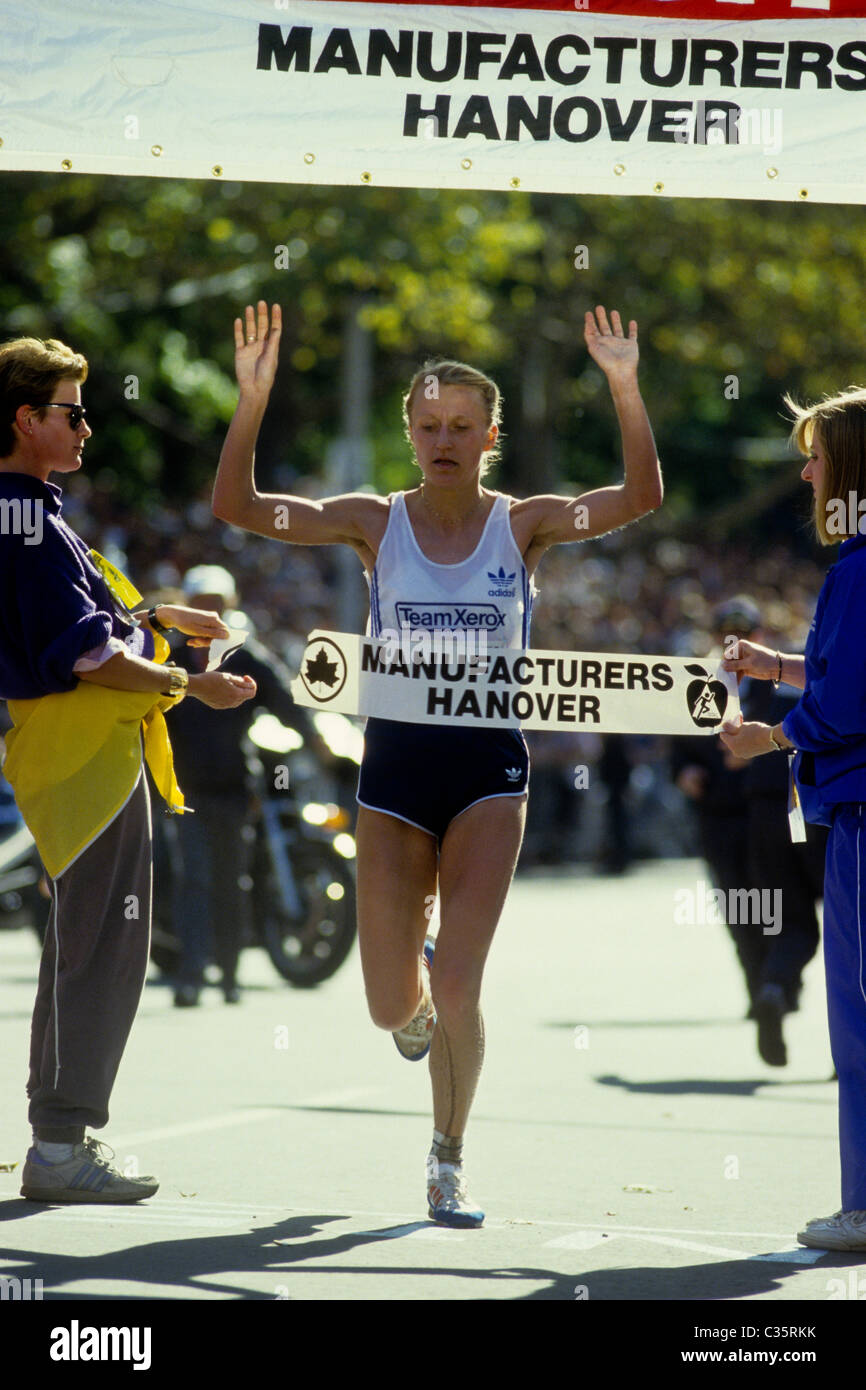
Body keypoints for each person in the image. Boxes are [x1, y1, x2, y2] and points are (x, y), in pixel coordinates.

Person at [213, 300, 662, 1226]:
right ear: (410, 434)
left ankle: (447, 1156)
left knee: (461, 982)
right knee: (391, 1007)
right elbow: (238, 509)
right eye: (428, 426)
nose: (444, 440)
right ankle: (415, 1001)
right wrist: (251, 399)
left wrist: (623, 384)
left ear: (489, 436)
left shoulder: (525, 522)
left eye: (462, 427)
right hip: (395, 770)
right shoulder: (373, 523)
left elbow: (638, 498)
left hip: (490, 768)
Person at [0, 335, 256, 1204]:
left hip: (77, 755)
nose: (86, 426)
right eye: (71, 411)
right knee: (103, 950)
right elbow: (83, 655)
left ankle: (56, 1136)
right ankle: (60, 1146)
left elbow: (89, 621)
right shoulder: (27, 516)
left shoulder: (28, 507)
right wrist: (191, 681)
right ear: (26, 419)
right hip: (85, 761)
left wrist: (150, 611)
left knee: (87, 944)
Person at [720, 386, 866, 1250]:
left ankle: (862, 1204)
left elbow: (848, 705)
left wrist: (768, 737)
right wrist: (776, 663)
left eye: (816, 456)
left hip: (860, 813)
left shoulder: (854, 568)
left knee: (858, 1020)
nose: (806, 473)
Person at [675, 596, 826, 1065]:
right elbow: (679, 751)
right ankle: (768, 992)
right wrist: (688, 773)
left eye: (747, 631)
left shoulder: (780, 689)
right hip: (736, 823)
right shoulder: (701, 688)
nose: (738, 641)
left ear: (762, 635)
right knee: (755, 920)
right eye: (728, 632)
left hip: (773, 816)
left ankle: (774, 989)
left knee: (791, 920)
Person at [166, 563, 320, 1006]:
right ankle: (190, 975)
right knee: (192, 879)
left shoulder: (244, 657)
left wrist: (317, 742)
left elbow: (285, 701)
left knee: (231, 881)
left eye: (216, 605)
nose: (207, 613)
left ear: (228, 608)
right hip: (183, 791)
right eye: (199, 604)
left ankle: (229, 976)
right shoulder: (167, 657)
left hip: (234, 789)